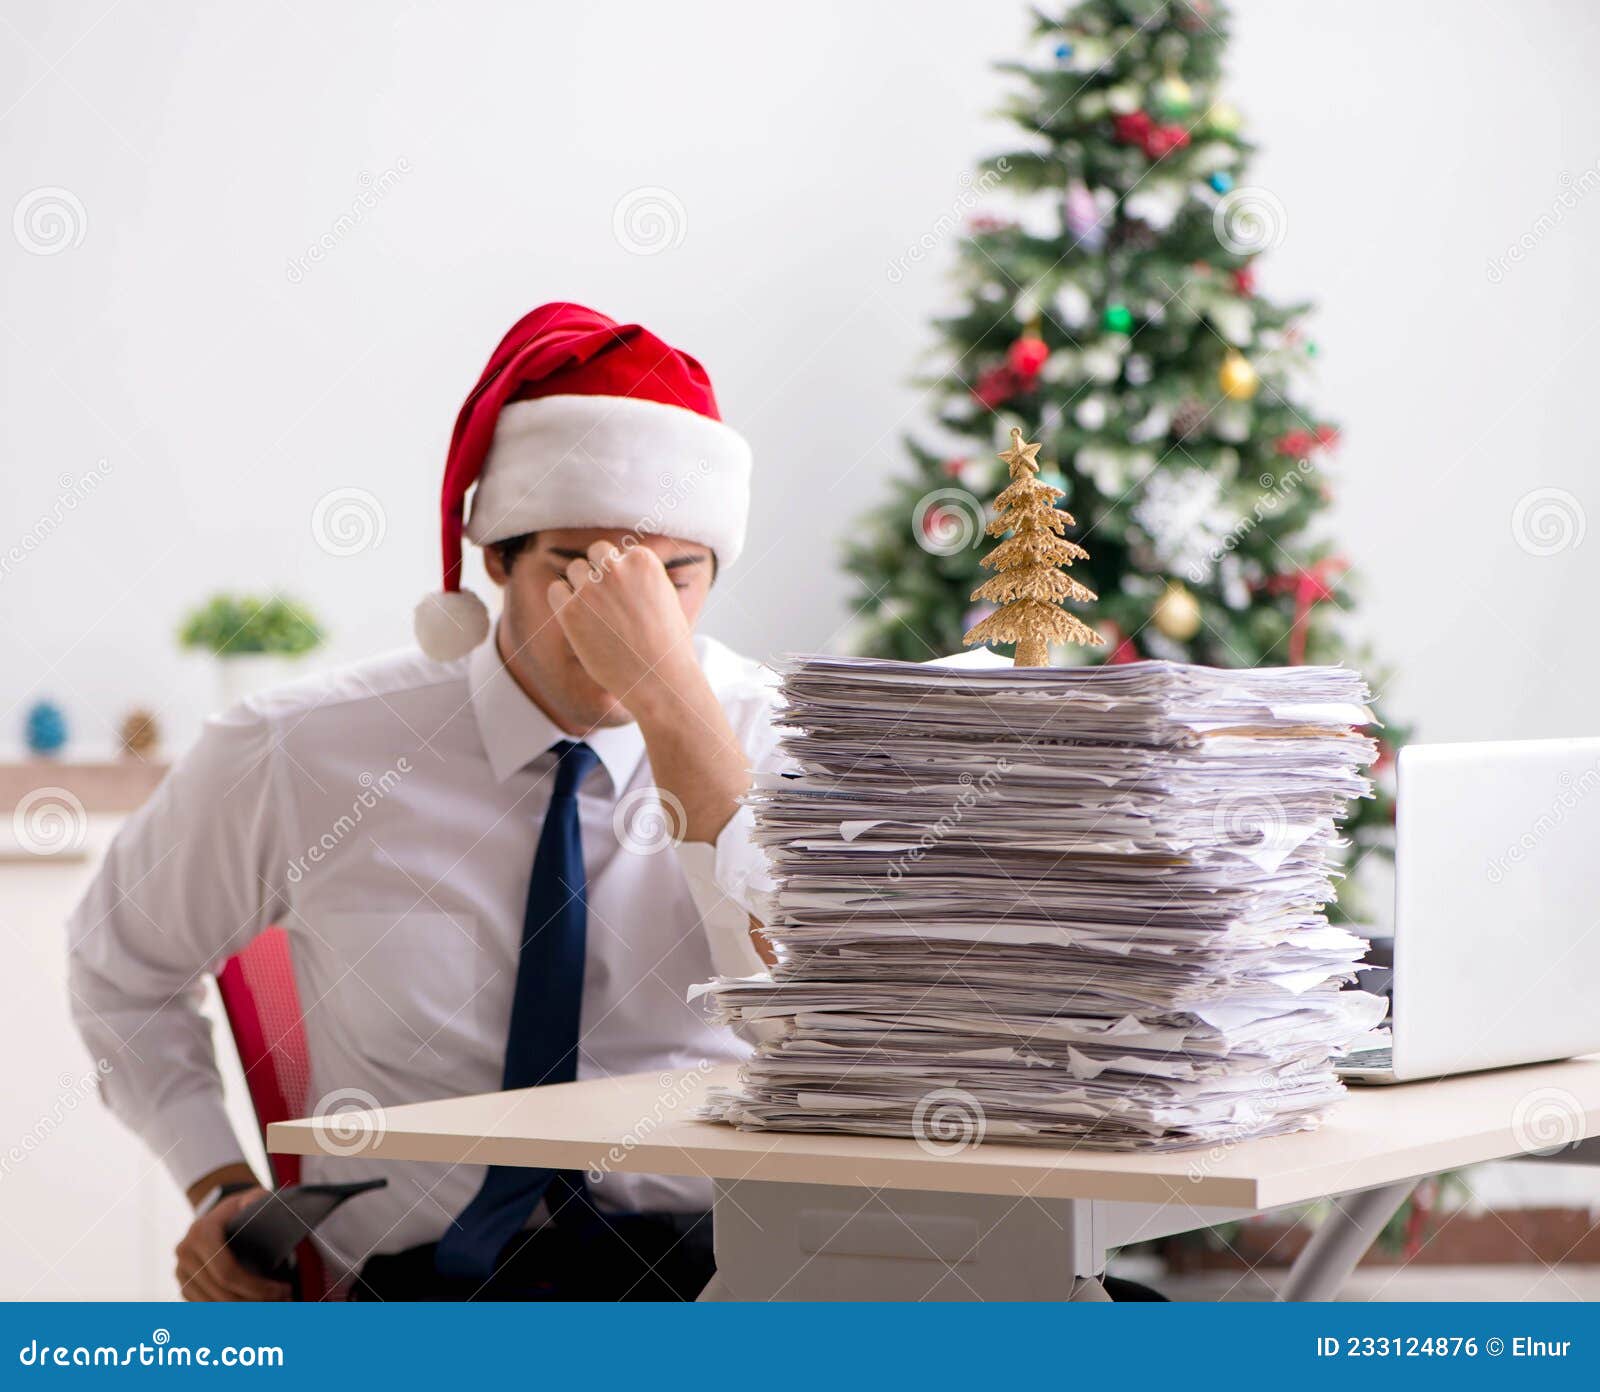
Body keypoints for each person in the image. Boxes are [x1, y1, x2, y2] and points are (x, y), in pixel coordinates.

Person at [68, 302, 780, 1301]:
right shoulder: (302, 751)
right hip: (427, 1294)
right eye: (585, 574)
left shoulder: (785, 743)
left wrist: (676, 713)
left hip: (730, 1282)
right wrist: (216, 1180)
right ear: (494, 558)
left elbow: (830, 1025)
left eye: (674, 578)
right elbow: (118, 965)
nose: (635, 623)